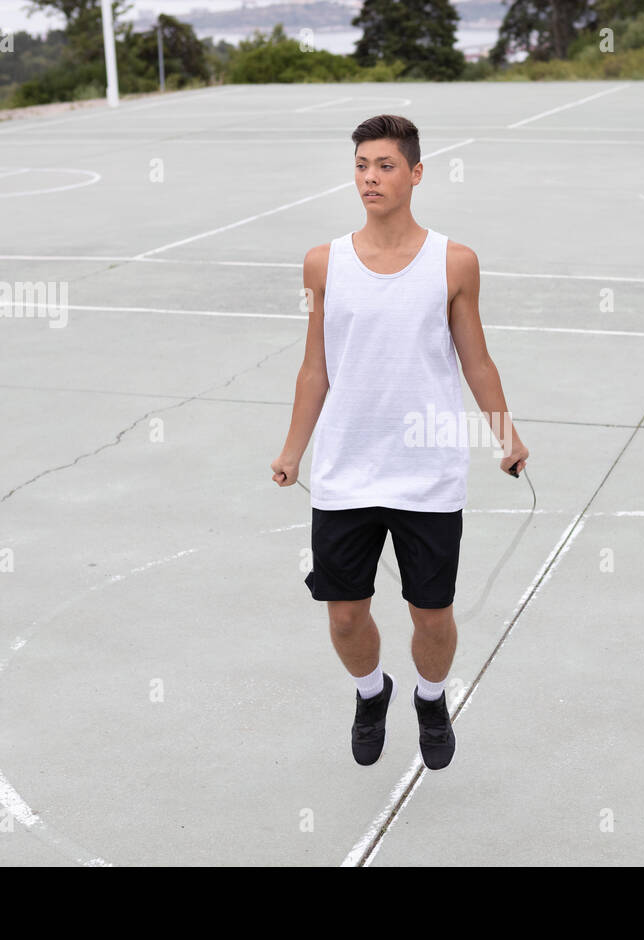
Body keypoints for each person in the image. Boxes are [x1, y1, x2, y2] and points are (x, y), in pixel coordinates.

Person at [270, 114, 529, 771]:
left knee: (432, 620)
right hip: (345, 474)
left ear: (415, 173)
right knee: (346, 618)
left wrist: (506, 434)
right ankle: (370, 692)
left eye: (385, 165)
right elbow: (315, 366)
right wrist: (292, 449)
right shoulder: (321, 263)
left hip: (427, 474)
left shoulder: (455, 263)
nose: (370, 178)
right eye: (361, 165)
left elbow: (477, 362)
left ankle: (431, 698)